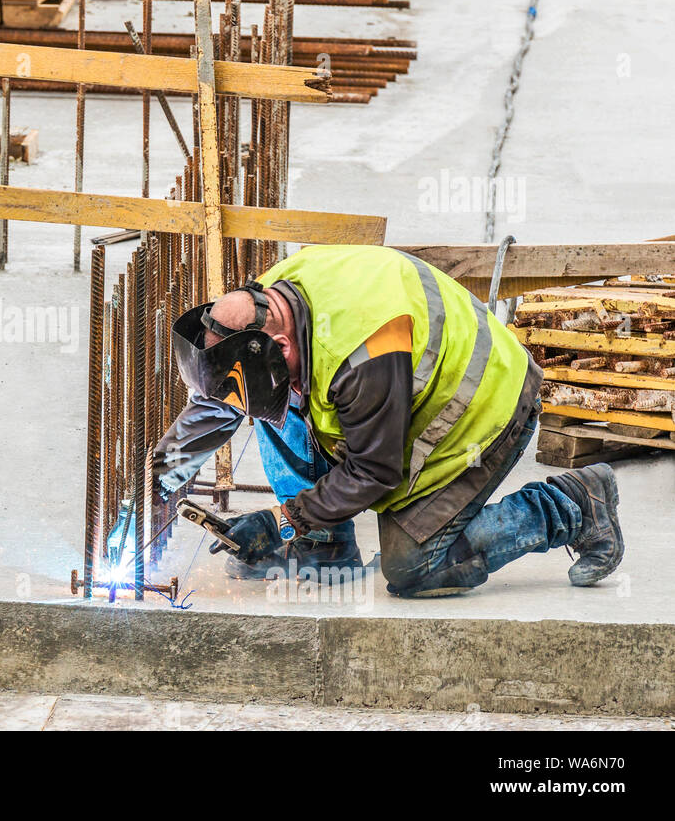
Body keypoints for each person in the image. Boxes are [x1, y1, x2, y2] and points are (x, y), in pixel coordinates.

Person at [151, 245, 623, 597]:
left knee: (414, 571)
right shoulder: (268, 304)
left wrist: (283, 521)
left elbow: (373, 472)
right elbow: (224, 396)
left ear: (283, 347)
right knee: (274, 399)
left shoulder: (361, 352)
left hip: (480, 410)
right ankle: (324, 547)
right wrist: (164, 476)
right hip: (396, 393)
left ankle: (572, 504)